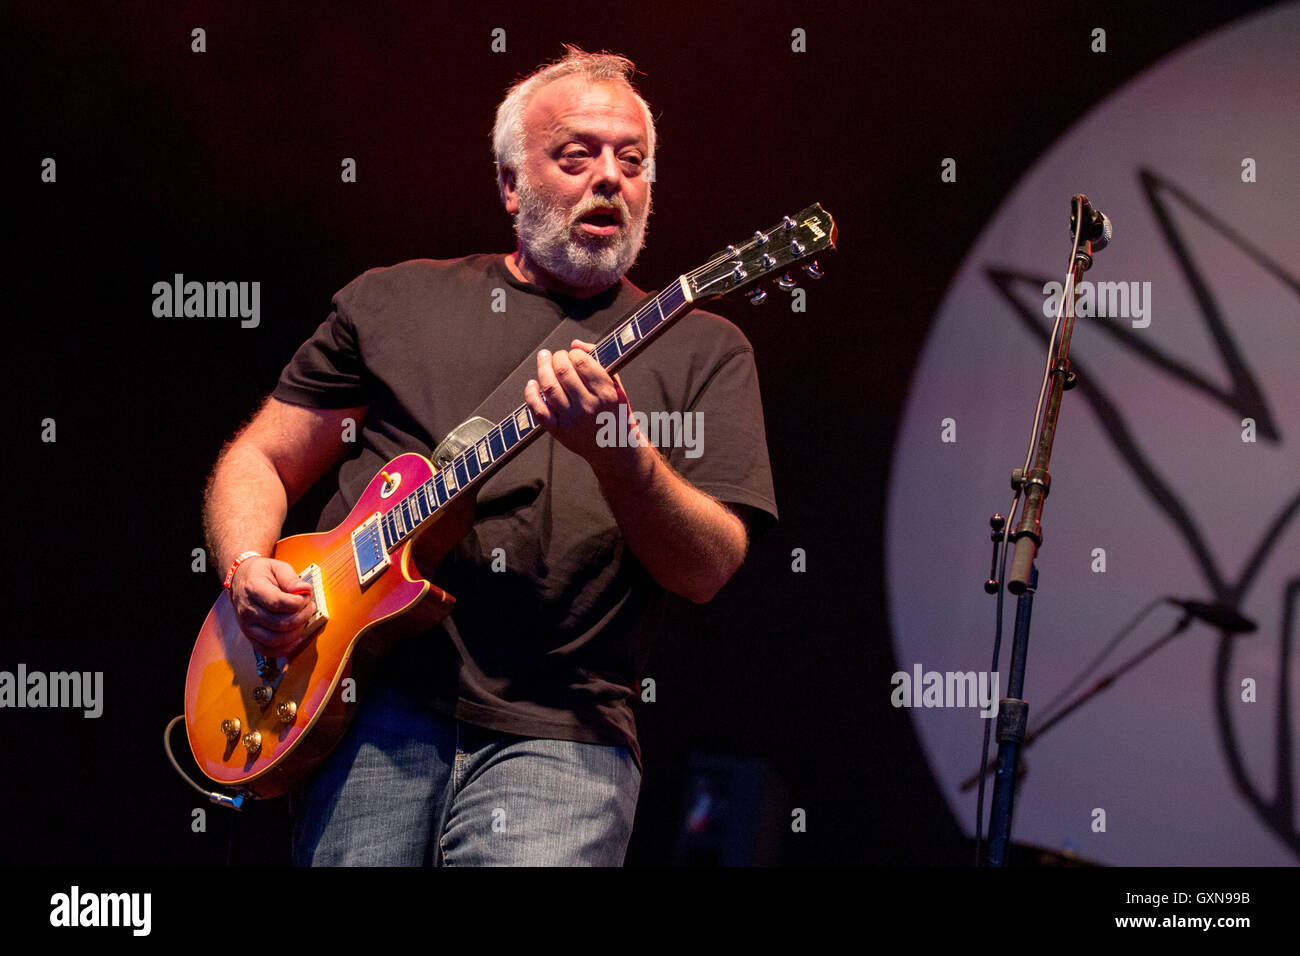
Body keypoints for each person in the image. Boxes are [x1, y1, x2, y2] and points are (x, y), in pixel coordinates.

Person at [202, 46, 778, 866]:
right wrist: (247, 563)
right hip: (369, 709)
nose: (610, 178)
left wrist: (617, 453)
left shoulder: (705, 348)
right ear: (511, 184)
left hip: (566, 735)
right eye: (577, 156)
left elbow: (709, 567)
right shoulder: (394, 300)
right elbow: (262, 456)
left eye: (633, 161)